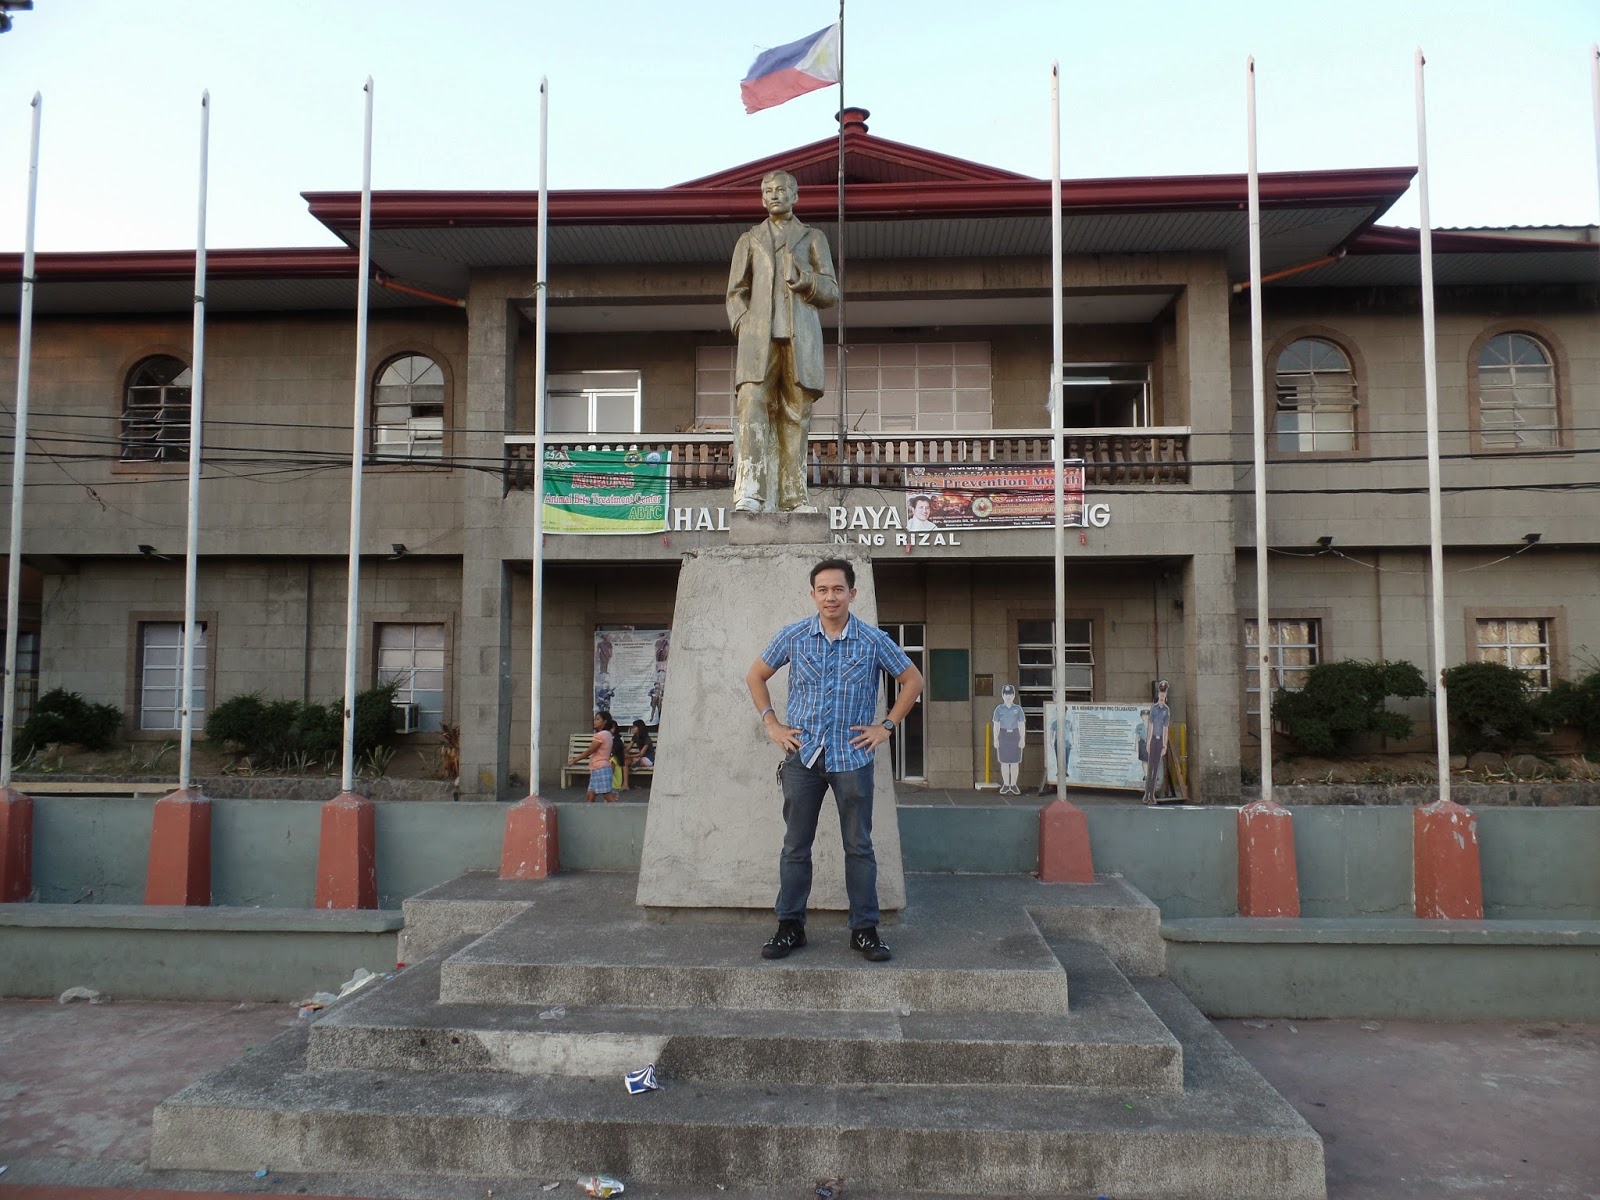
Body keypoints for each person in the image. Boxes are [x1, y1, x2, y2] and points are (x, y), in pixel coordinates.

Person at [746, 557, 923, 963]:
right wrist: (772, 724)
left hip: (852, 757)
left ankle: (864, 930)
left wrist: (886, 726)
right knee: (795, 846)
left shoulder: (873, 640)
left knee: (859, 847)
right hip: (802, 757)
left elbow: (913, 680)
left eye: (838, 589)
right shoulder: (793, 636)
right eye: (823, 590)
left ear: (852, 594)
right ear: (813, 595)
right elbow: (755, 675)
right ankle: (790, 927)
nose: (831, 597)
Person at [725, 169, 839, 514]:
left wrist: (805, 280)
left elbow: (831, 291)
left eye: (780, 190)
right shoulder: (749, 239)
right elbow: (735, 292)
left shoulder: (813, 237)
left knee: (796, 415)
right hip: (757, 341)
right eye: (767, 191)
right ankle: (750, 492)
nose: (773, 195)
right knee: (751, 407)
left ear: (795, 195)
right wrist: (745, 324)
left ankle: (794, 496)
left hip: (799, 338)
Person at [566, 710, 619, 804]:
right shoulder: (608, 734)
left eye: (598, 719)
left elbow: (590, 751)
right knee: (590, 795)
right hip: (598, 768)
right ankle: (588, 811)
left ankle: (620, 812)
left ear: (604, 721)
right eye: (595, 719)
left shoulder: (601, 735)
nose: (595, 721)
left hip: (600, 768)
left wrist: (574, 760)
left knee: (607, 796)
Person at [991, 684, 1026, 795]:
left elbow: (1021, 724)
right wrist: (995, 739)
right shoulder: (999, 709)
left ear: (1014, 695)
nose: (1008, 696)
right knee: (1004, 762)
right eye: (1006, 694)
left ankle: (1013, 784)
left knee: (1015, 762)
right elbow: (996, 725)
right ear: (1002, 695)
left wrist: (1022, 739)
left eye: (1010, 694)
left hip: (1015, 735)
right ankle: (1006, 784)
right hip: (1003, 735)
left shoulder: (1018, 709)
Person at [1142, 680, 1172, 804]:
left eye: (1164, 694)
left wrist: (1164, 745)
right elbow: (1150, 727)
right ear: (1158, 694)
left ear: (1166, 695)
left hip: (1160, 742)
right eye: (1161, 694)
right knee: (1150, 769)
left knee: (1155, 769)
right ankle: (1146, 794)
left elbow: (1165, 728)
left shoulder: (1166, 710)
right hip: (1153, 740)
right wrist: (1148, 743)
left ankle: (1152, 795)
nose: (1162, 696)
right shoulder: (1154, 709)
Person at [624, 718, 654, 789]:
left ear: (639, 728)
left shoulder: (647, 739)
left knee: (636, 760)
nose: (632, 729)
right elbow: (628, 748)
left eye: (634, 727)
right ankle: (625, 784)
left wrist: (629, 756)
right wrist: (621, 753)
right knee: (625, 762)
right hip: (639, 758)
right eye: (632, 727)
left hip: (648, 759)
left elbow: (641, 753)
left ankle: (635, 764)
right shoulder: (635, 737)